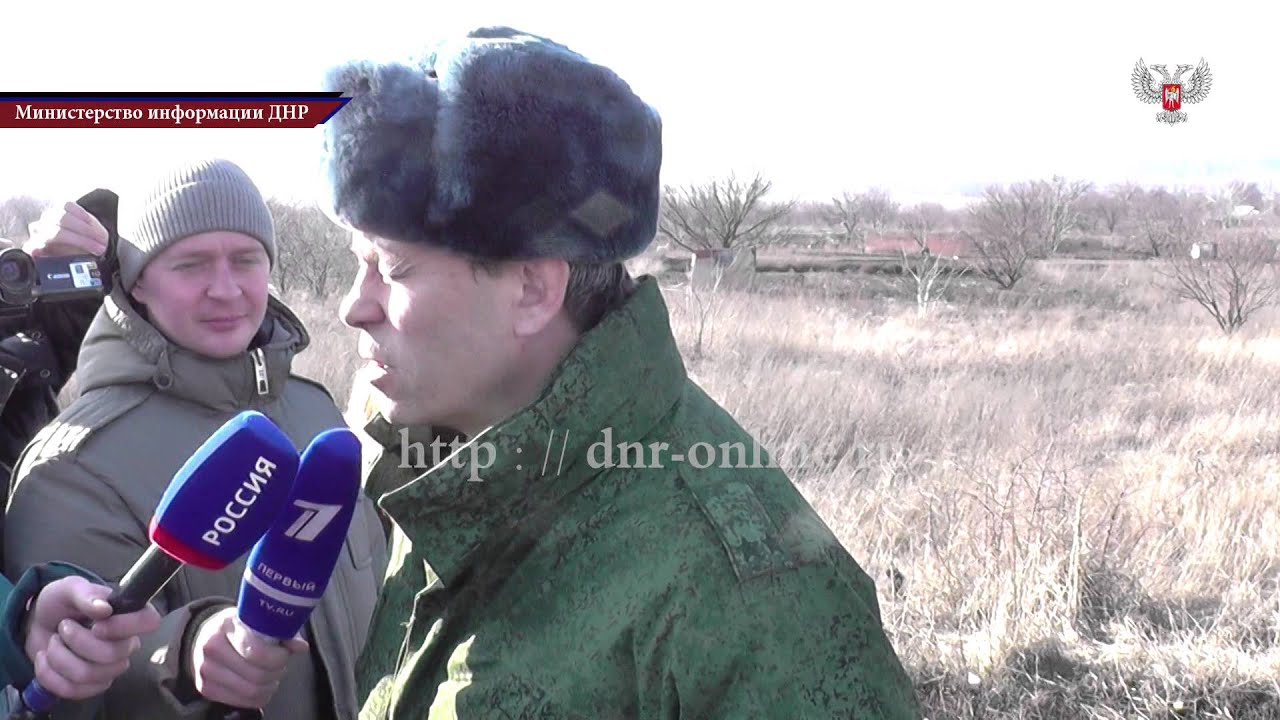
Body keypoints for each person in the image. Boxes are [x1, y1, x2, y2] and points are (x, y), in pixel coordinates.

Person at [320, 26, 922, 718]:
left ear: (532, 291)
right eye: (358, 261)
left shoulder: (750, 604)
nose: (353, 306)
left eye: (394, 268)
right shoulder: (441, 459)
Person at [3, 158, 388, 720]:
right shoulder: (72, 467)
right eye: (191, 264)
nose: (226, 289)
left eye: (246, 260)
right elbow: (74, 693)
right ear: (137, 281)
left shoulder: (317, 411)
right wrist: (185, 655)